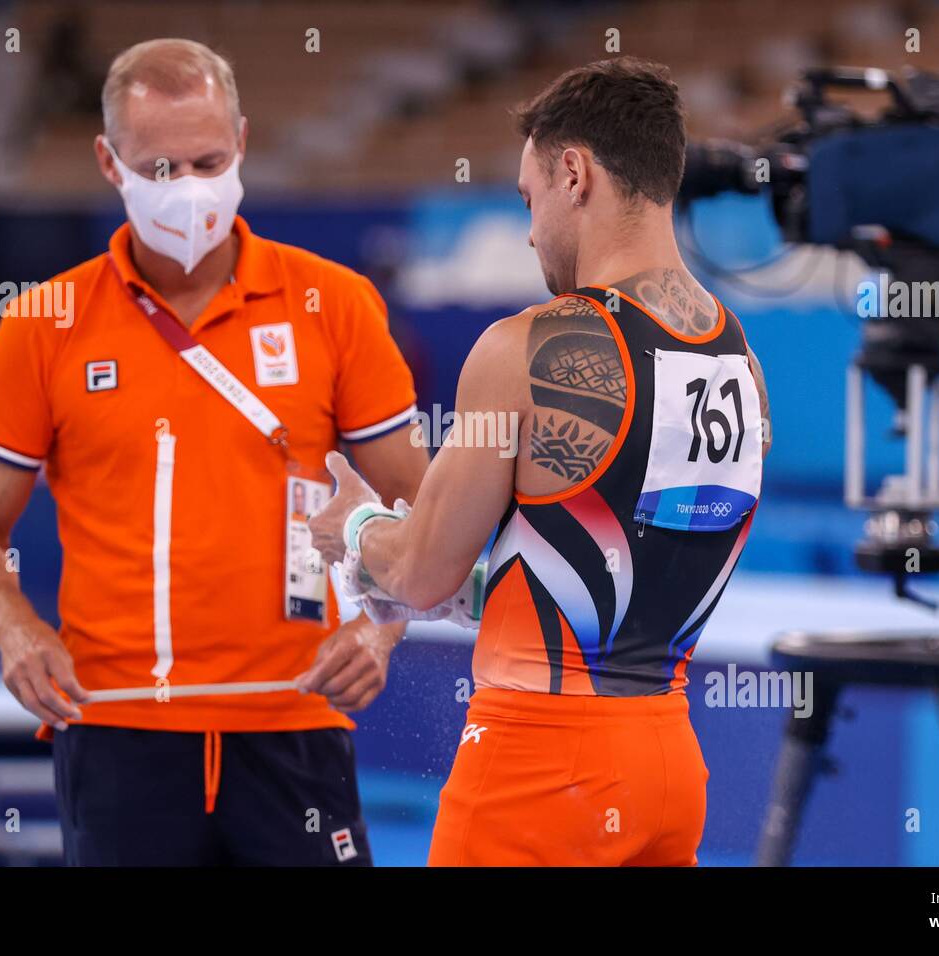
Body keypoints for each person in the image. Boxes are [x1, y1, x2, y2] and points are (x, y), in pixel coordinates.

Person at [0, 39, 427, 866]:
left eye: (207, 159)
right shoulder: (44, 324)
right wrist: (18, 633)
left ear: (242, 140)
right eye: (159, 168)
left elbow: (426, 515)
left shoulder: (334, 304)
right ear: (108, 161)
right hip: (119, 731)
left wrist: (381, 632)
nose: (189, 189)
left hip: (295, 728)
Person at [309, 56, 770, 865]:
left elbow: (421, 575)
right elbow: (610, 565)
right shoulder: (741, 363)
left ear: (573, 173)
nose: (528, 230)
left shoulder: (528, 350)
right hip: (667, 762)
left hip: (538, 765)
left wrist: (358, 525)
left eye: (528, 199)